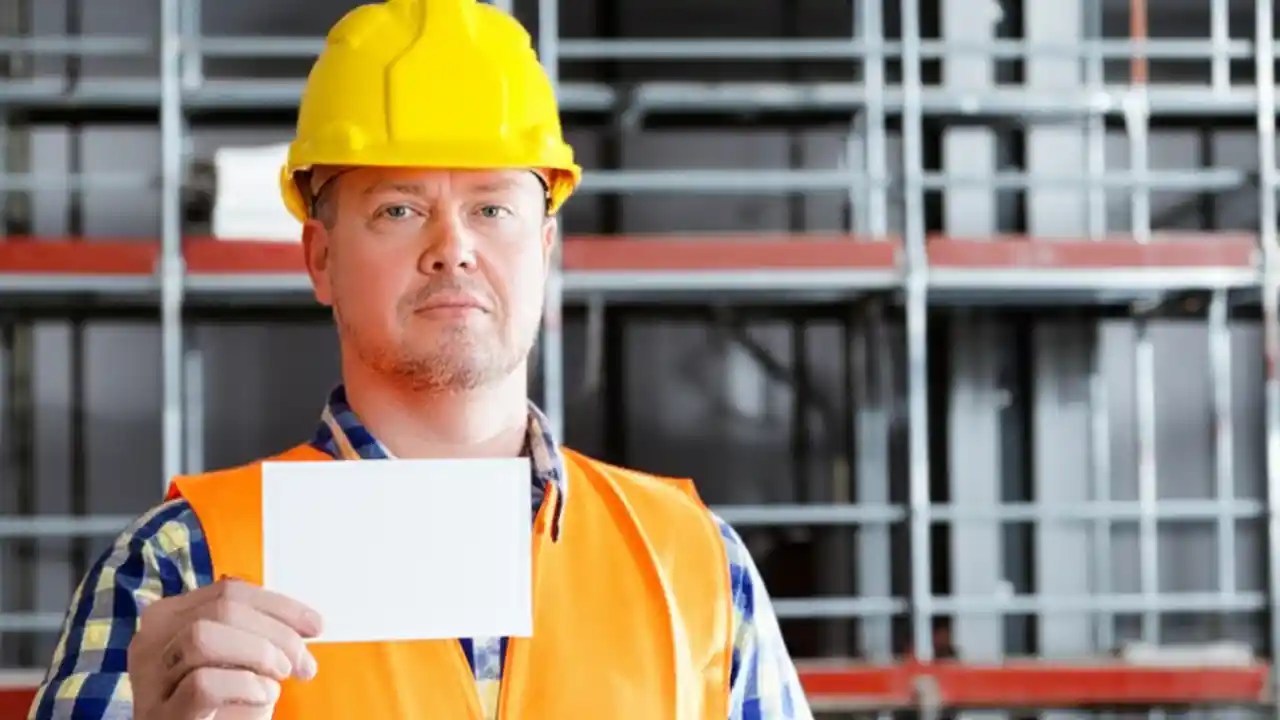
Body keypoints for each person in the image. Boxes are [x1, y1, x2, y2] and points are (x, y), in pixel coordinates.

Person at [27, 0, 814, 717]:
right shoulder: (177, 569)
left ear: (543, 248)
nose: (453, 250)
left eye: (492, 208)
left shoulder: (699, 567)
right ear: (320, 258)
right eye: (399, 210)